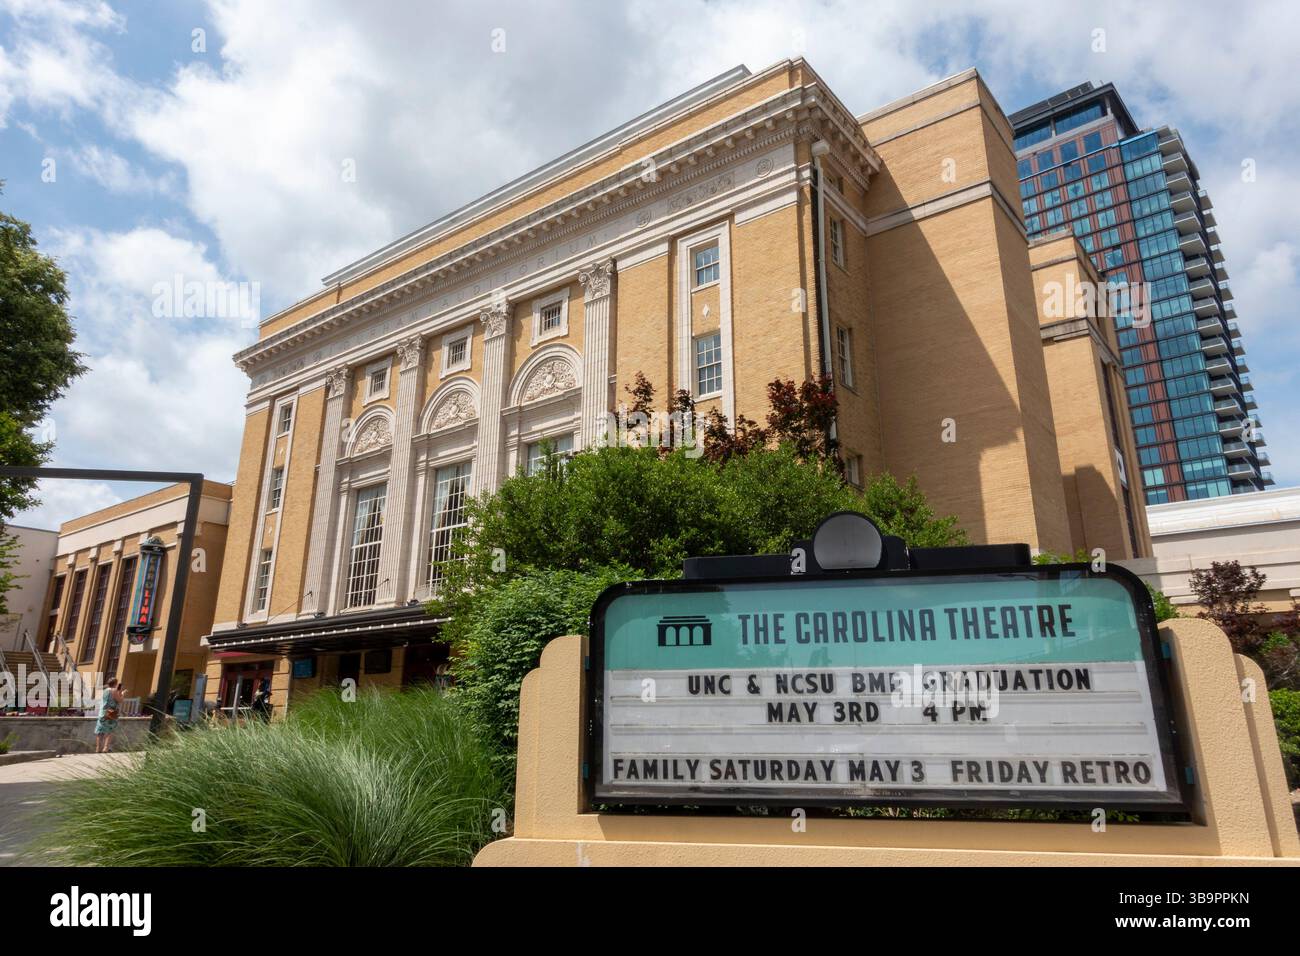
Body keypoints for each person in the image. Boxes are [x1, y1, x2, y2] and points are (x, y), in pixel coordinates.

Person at [95, 678, 125, 753]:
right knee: (110, 730)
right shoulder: (113, 690)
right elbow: (120, 700)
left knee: (100, 731)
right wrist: (123, 693)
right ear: (115, 684)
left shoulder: (104, 690)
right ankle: (105, 748)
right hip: (111, 713)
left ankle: (98, 748)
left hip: (102, 713)